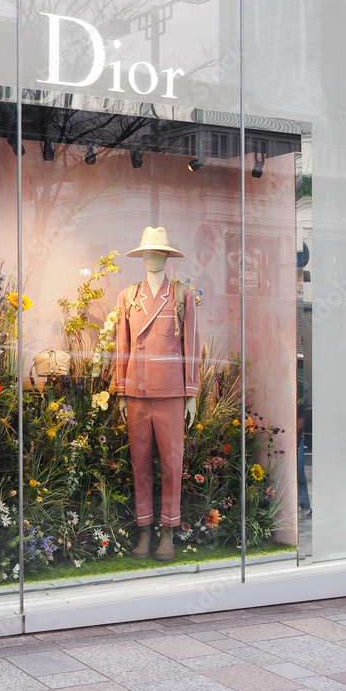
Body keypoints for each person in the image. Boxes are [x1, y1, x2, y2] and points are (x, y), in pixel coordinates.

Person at [115, 227, 200, 561]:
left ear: (166, 256)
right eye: (146, 252)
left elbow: (191, 346)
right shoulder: (128, 297)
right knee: (139, 465)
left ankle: (168, 532)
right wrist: (121, 391)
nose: (151, 257)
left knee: (171, 464)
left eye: (157, 252)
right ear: (141, 257)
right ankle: (144, 531)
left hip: (170, 394)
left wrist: (191, 393)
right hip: (137, 392)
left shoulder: (181, 296)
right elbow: (122, 347)